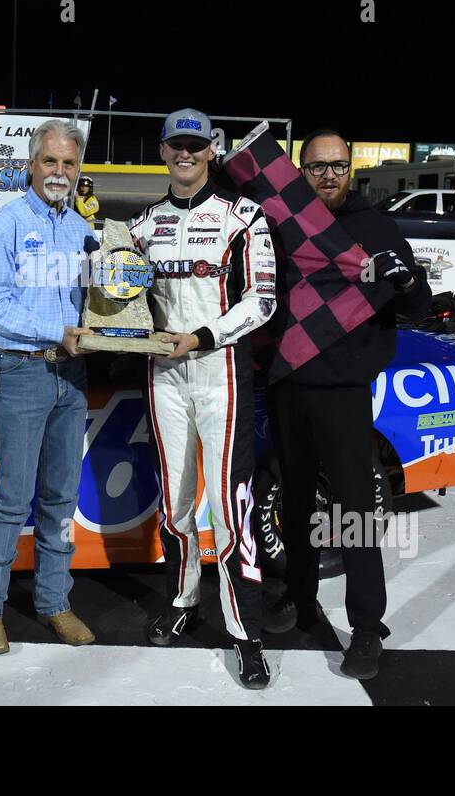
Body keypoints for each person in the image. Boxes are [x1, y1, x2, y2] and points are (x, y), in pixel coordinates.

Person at [264, 130, 430, 680]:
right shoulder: (282, 224)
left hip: (345, 392)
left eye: (338, 166)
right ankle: (300, 597)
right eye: (316, 168)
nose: (329, 176)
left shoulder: (376, 227)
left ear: (351, 169)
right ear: (299, 171)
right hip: (287, 384)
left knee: (355, 510)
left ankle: (366, 626)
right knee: (293, 503)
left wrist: (405, 279)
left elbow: (419, 304)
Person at [128, 108, 278, 690]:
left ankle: (247, 634)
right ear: (162, 152)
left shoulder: (244, 217)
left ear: (210, 150)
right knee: (177, 503)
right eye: (175, 145)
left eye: (195, 145)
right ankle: (186, 599)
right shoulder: (139, 226)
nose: (185, 154)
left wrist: (202, 336)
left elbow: (262, 300)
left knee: (230, 510)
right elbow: (120, 303)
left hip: (221, 376)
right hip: (163, 377)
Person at [0, 118, 96, 655]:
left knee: (61, 499)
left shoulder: (82, 230)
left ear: (78, 169)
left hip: (72, 375)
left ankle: (54, 602)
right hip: (20, 370)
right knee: (13, 498)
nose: (59, 172)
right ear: (31, 163)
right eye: (51, 161)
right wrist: (58, 332)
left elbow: (100, 300)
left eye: (69, 163)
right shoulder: (5, 224)